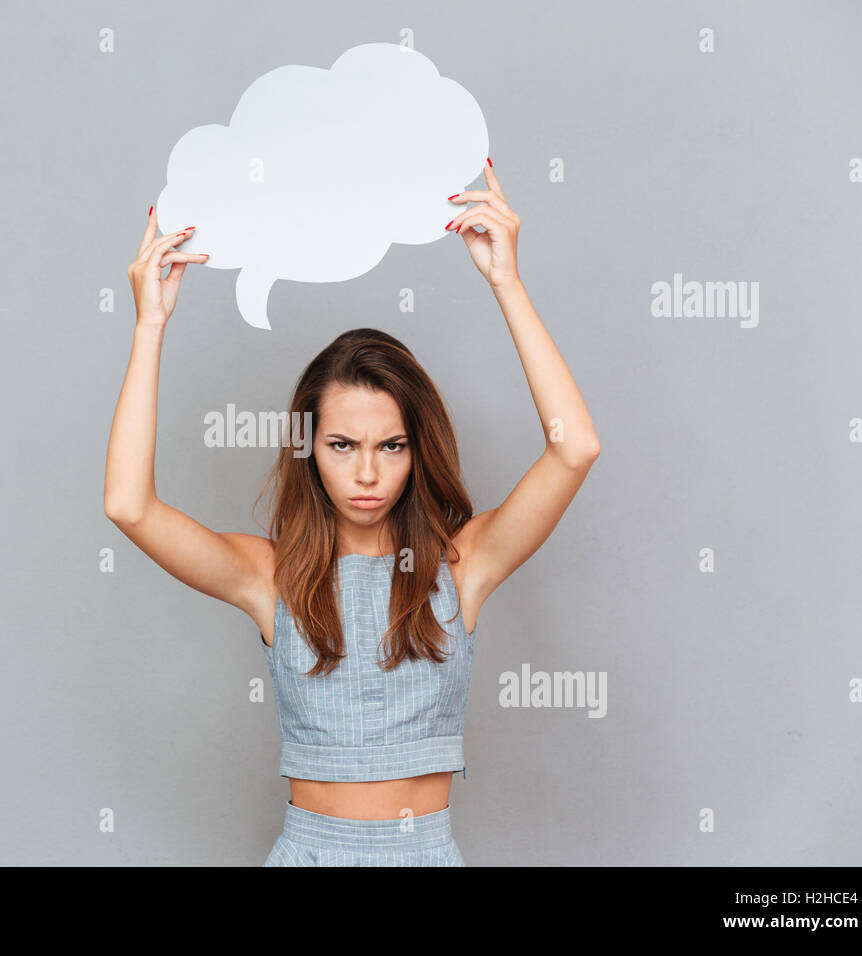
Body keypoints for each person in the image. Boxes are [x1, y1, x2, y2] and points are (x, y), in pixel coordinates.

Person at [104, 159, 600, 865]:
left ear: (415, 449)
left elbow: (574, 448)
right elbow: (128, 505)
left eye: (391, 445)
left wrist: (506, 283)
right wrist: (149, 325)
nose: (367, 472)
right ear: (310, 449)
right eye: (342, 445)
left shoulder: (461, 569)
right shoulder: (269, 577)